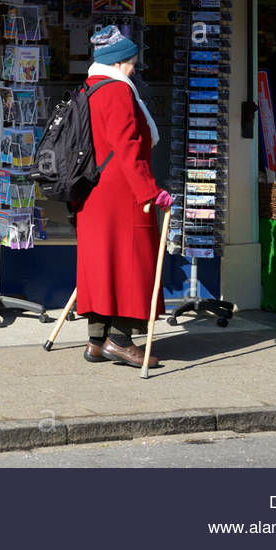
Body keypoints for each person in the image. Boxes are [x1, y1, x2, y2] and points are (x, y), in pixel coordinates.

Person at [75, 25, 174, 368]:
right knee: (129, 264)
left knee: (101, 265)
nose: (134, 68)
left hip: (94, 192)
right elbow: (128, 148)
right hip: (121, 194)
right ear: (116, 63)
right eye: (130, 62)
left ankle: (96, 341)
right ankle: (120, 340)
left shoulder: (90, 87)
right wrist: (151, 191)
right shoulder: (117, 92)